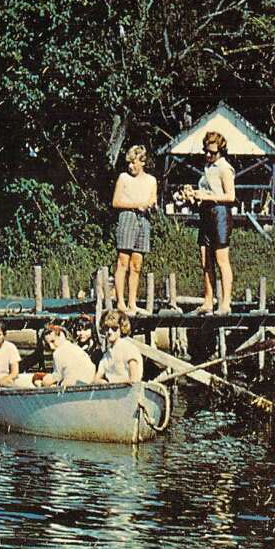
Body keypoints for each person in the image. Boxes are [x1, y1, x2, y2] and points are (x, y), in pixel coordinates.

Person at [184, 130, 235, 315]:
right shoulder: (207, 168)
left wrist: (208, 196)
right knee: (205, 259)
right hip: (205, 214)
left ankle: (225, 303)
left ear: (220, 151)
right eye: (206, 151)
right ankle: (208, 301)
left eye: (212, 152)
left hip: (220, 214)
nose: (208, 155)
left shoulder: (224, 168)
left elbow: (230, 196)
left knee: (222, 260)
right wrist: (194, 196)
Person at [111, 145, 157, 316]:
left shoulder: (151, 180)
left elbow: (153, 200)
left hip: (144, 220)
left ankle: (132, 303)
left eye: (134, 163)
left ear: (142, 162)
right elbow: (115, 202)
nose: (131, 166)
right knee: (123, 261)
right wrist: (135, 205)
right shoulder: (123, 178)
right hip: (127, 217)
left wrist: (151, 206)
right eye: (129, 163)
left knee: (136, 264)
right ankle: (120, 303)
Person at [94, 310, 143, 384]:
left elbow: (134, 379)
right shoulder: (106, 355)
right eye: (107, 328)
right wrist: (101, 382)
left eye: (114, 328)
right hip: (112, 392)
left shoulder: (128, 349)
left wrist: (113, 383)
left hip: (130, 392)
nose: (110, 332)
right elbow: (96, 379)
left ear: (122, 328)